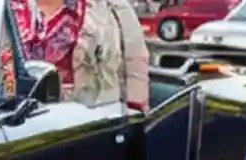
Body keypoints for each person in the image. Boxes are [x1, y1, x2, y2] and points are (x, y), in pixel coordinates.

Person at [10, 0, 149, 111]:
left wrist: (134, 121)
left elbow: (135, 69)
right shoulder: (2, 7)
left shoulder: (114, 8)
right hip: (16, 121)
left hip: (88, 123)